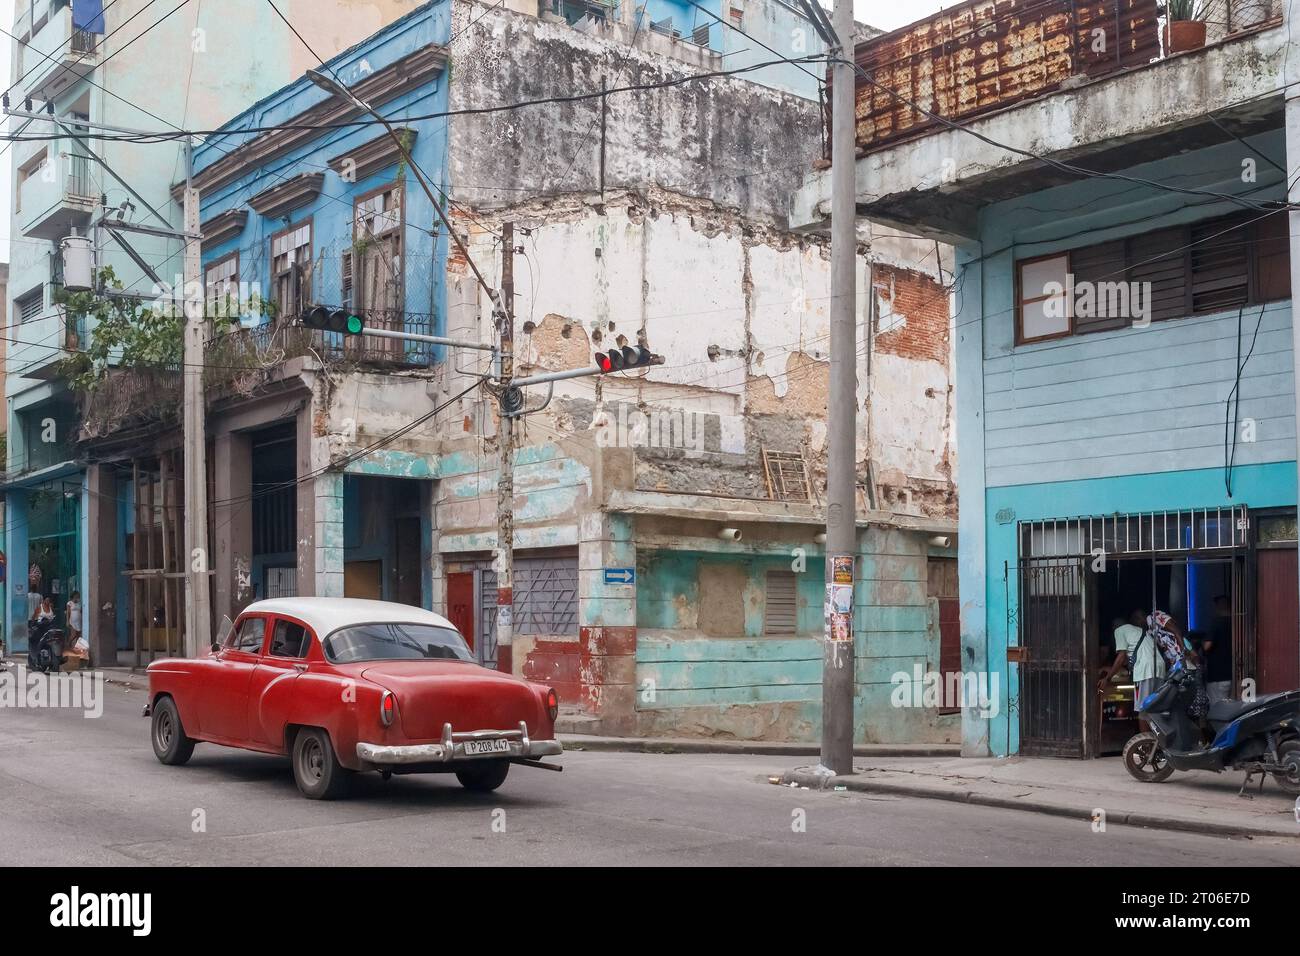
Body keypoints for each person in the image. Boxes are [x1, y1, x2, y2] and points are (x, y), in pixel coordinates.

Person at [1099, 608, 1164, 731]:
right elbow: (1125, 660)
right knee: (1155, 709)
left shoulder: (1119, 631)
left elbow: (1121, 656)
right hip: (1159, 668)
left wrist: (1107, 678)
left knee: (1143, 710)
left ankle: (1145, 744)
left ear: (1114, 628)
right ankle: (1157, 742)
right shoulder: (1139, 631)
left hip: (1145, 670)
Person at [1202, 594, 1233, 702]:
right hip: (1233, 674)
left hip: (1217, 675)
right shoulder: (1237, 622)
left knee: (1217, 709)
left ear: (1219, 606)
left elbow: (1207, 646)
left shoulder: (1216, 623)